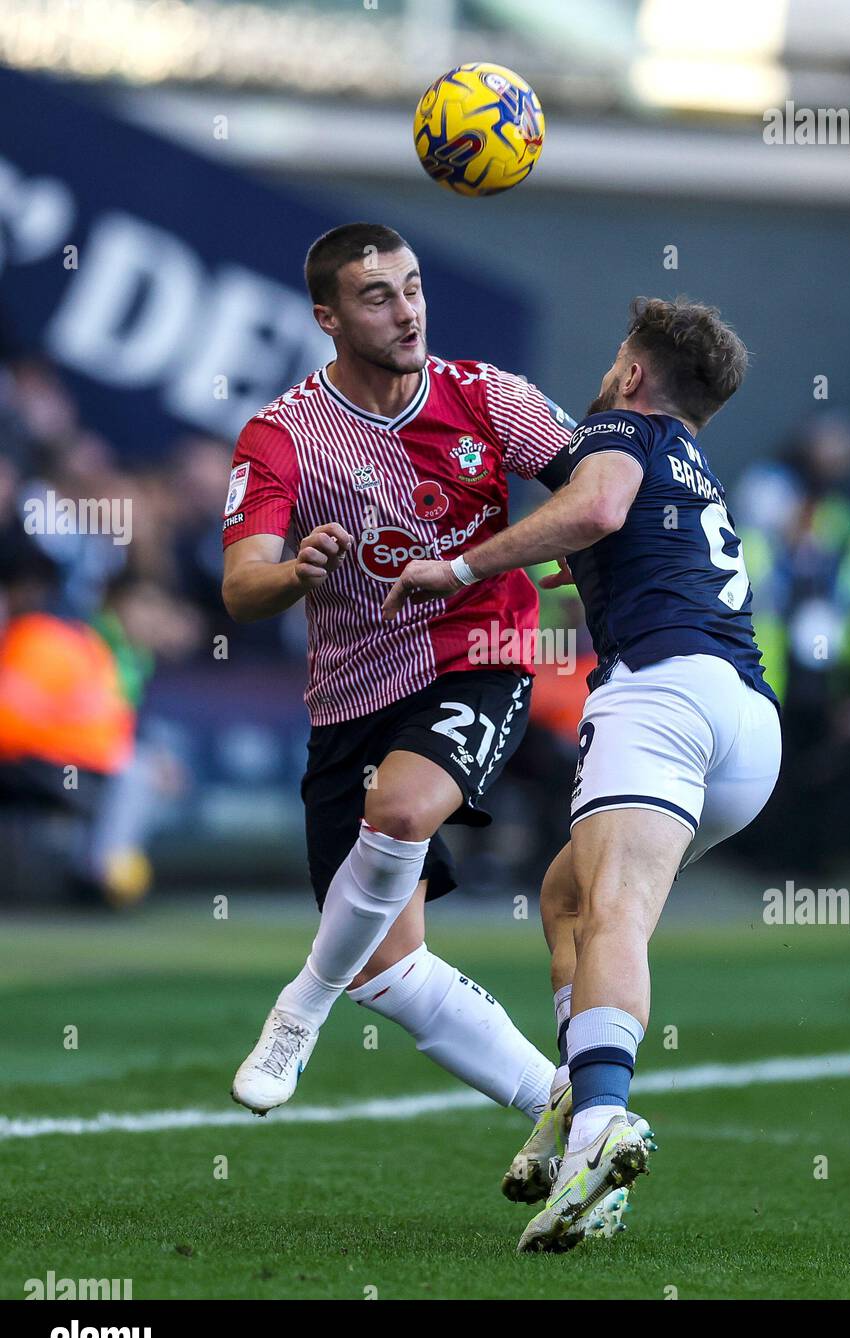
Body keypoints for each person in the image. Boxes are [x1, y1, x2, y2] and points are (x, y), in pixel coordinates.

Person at [384, 296, 782, 1252]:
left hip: (662, 700)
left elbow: (597, 505)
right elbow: (628, 537)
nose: (608, 370)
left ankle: (603, 1126)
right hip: (748, 732)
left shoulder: (619, 428)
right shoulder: (696, 469)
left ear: (636, 373)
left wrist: (461, 567)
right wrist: (578, 571)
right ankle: (577, 1113)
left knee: (611, 908)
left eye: (617, 356)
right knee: (565, 896)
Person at [223, 223, 580, 1143]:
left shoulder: (487, 397)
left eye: (413, 286)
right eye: (377, 296)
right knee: (386, 971)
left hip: (482, 653)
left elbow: (595, 486)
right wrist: (297, 571)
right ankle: (572, 1117)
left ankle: (301, 1004)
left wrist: (589, 554)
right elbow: (241, 583)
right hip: (349, 697)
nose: (407, 309)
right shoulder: (282, 435)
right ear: (327, 317)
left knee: (401, 811)